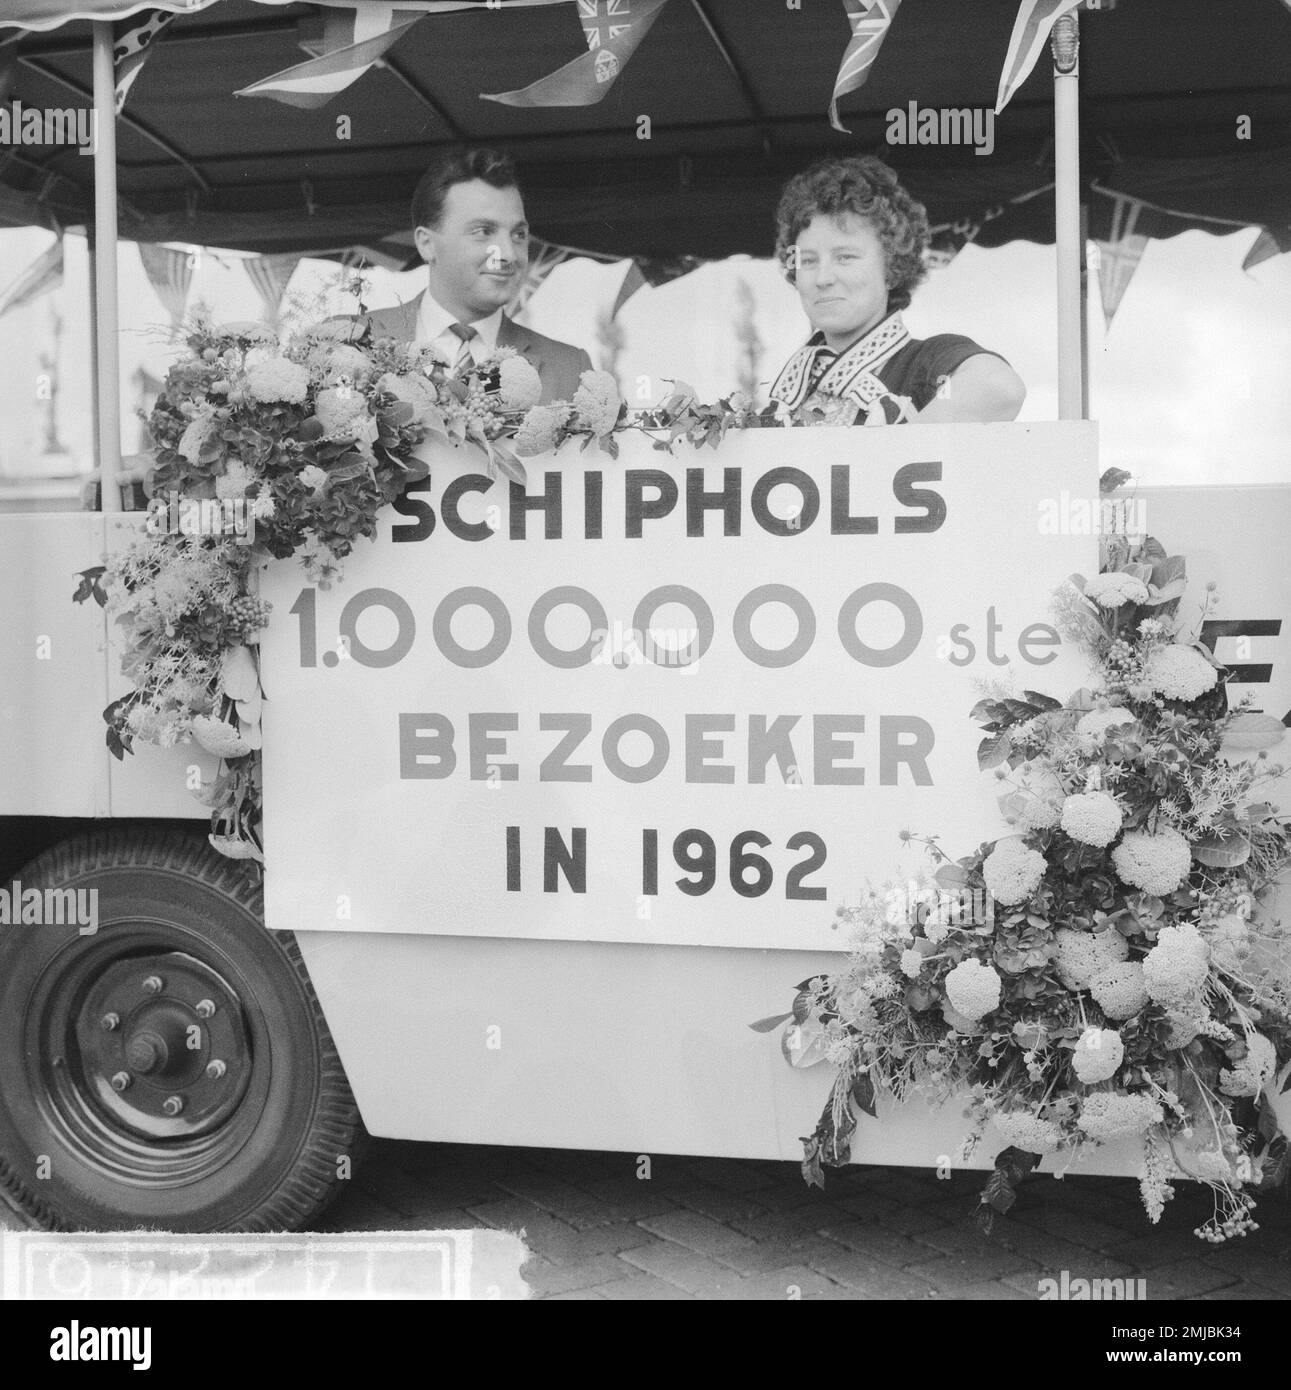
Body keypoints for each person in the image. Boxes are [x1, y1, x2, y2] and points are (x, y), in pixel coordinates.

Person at [769, 155, 1025, 426]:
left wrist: (900, 449)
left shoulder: (924, 365)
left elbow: (997, 385)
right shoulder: (789, 395)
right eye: (808, 260)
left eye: (845, 257)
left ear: (892, 268)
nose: (822, 278)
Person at [350, 148, 592, 403]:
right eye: (484, 231)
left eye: (519, 234)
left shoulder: (570, 371)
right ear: (426, 244)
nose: (508, 254)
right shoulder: (348, 344)